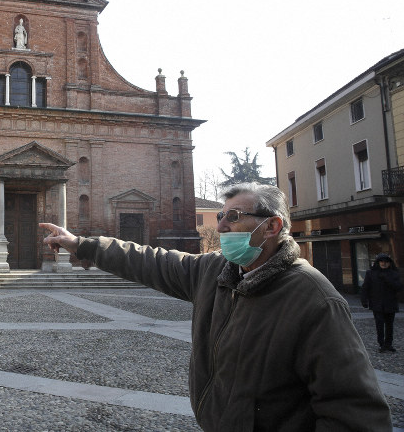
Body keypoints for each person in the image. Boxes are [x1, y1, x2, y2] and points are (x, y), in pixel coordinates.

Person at [40, 182, 391, 431]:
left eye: (234, 216)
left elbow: (354, 411)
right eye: (221, 215)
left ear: (272, 226)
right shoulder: (216, 270)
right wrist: (81, 244)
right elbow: (150, 260)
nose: (221, 225)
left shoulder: (314, 298)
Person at [362, 253, 402, 353]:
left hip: (390, 303)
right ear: (378, 262)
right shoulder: (371, 273)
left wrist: (387, 279)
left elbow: (398, 287)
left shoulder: (394, 273)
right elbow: (365, 287)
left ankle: (388, 344)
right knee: (379, 325)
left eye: (386, 262)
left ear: (389, 263)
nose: (384, 263)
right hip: (377, 303)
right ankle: (382, 343)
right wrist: (364, 300)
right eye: (382, 261)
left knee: (389, 325)